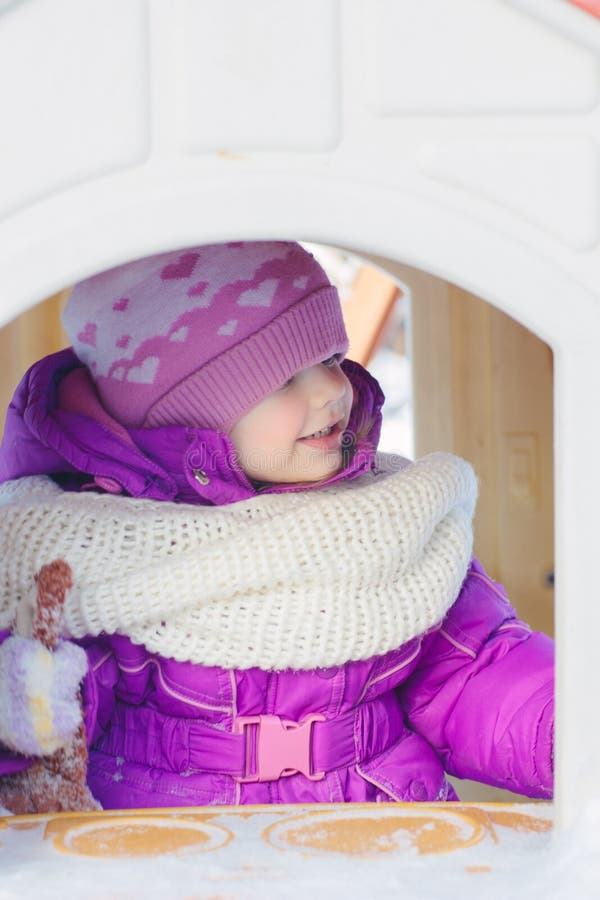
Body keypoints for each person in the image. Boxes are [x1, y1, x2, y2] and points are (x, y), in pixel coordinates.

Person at [0, 241, 553, 810]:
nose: (333, 390)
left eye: (333, 359)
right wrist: (32, 705)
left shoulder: (386, 525)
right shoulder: (98, 551)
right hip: (174, 849)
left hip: (378, 834)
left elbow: (476, 672)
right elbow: (64, 694)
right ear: (186, 414)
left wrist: (570, 728)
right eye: (286, 379)